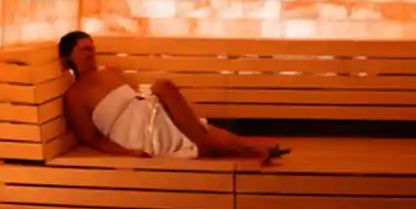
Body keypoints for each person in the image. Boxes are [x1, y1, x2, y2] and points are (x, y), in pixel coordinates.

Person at [58, 31, 289, 165]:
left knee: (184, 111)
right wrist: (128, 153)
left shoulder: (109, 72)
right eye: (85, 50)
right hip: (134, 132)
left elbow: (135, 98)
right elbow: (92, 138)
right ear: (69, 57)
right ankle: (240, 146)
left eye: (92, 48)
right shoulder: (75, 96)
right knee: (166, 89)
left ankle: (254, 148)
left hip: (147, 113)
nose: (92, 53)